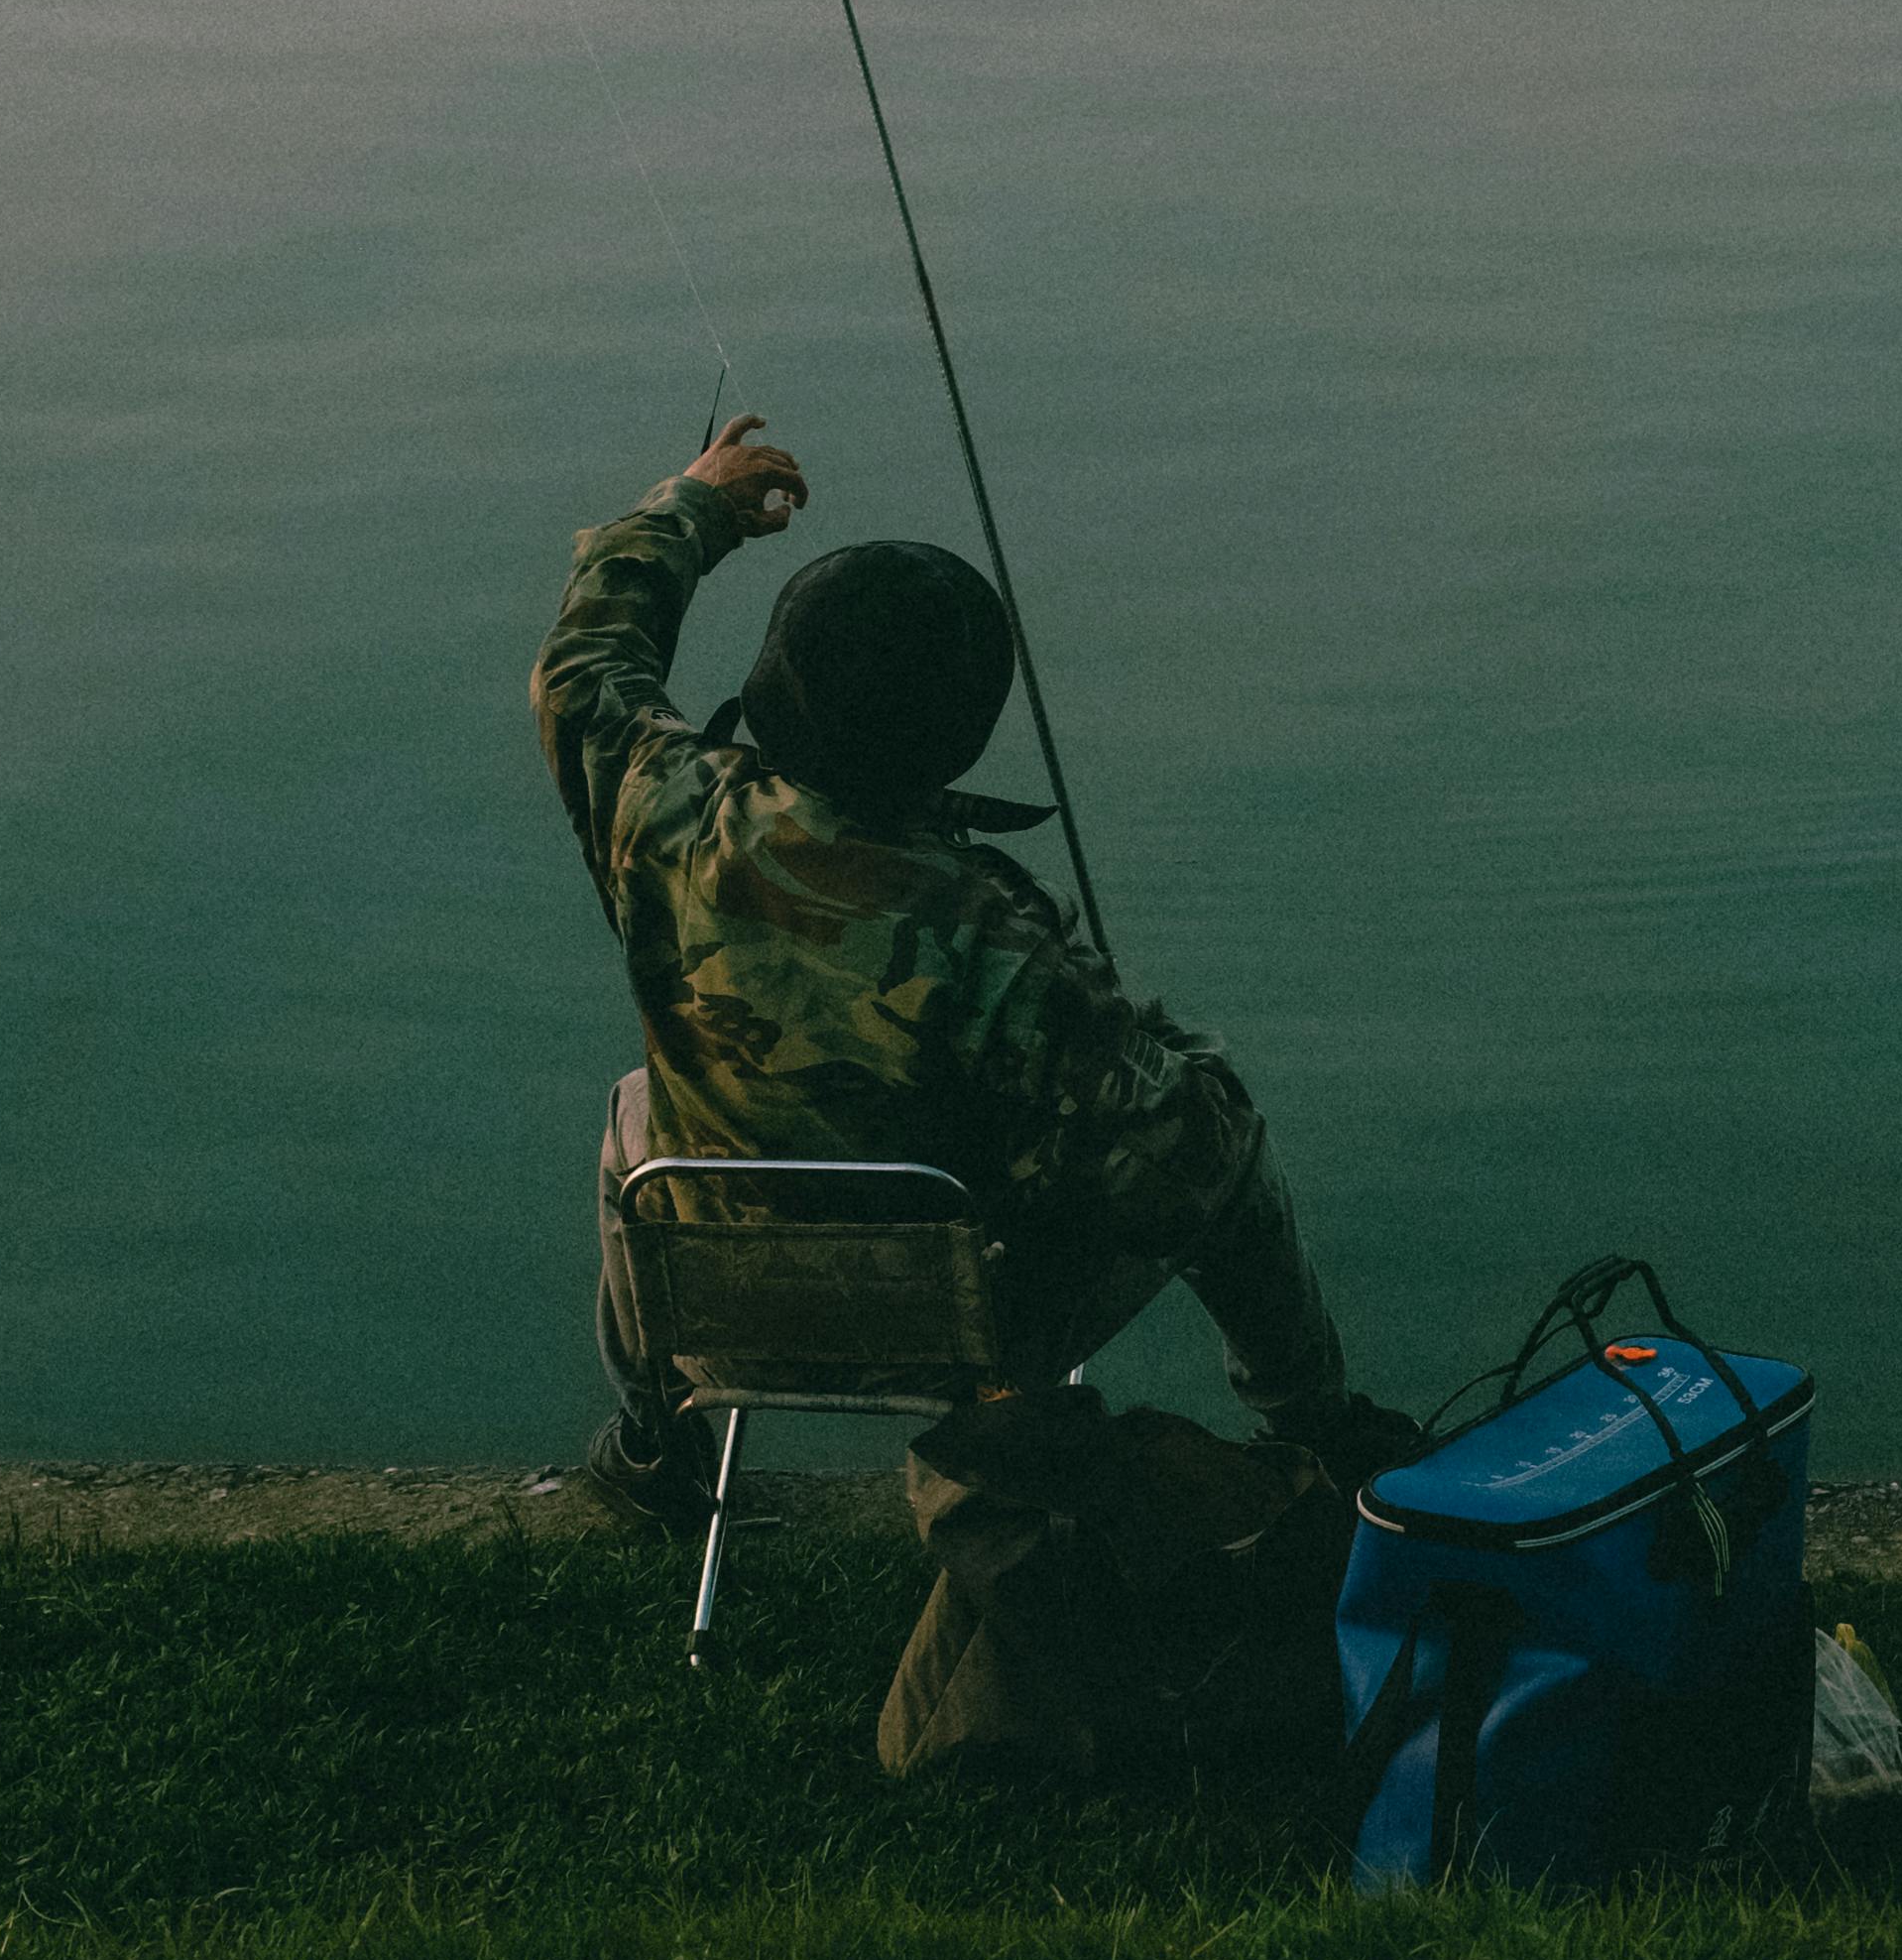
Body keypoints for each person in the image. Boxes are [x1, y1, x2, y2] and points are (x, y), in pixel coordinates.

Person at [536, 415, 1413, 1770]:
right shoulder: (989, 938)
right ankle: (1315, 1427)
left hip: (721, 1296)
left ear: (770, 690)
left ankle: (654, 1446)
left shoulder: (655, 809)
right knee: (1228, 1157)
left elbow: (587, 649)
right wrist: (1153, 1043)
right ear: (955, 742)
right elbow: (1189, 1150)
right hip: (964, 1335)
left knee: (635, 1115)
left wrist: (700, 504)